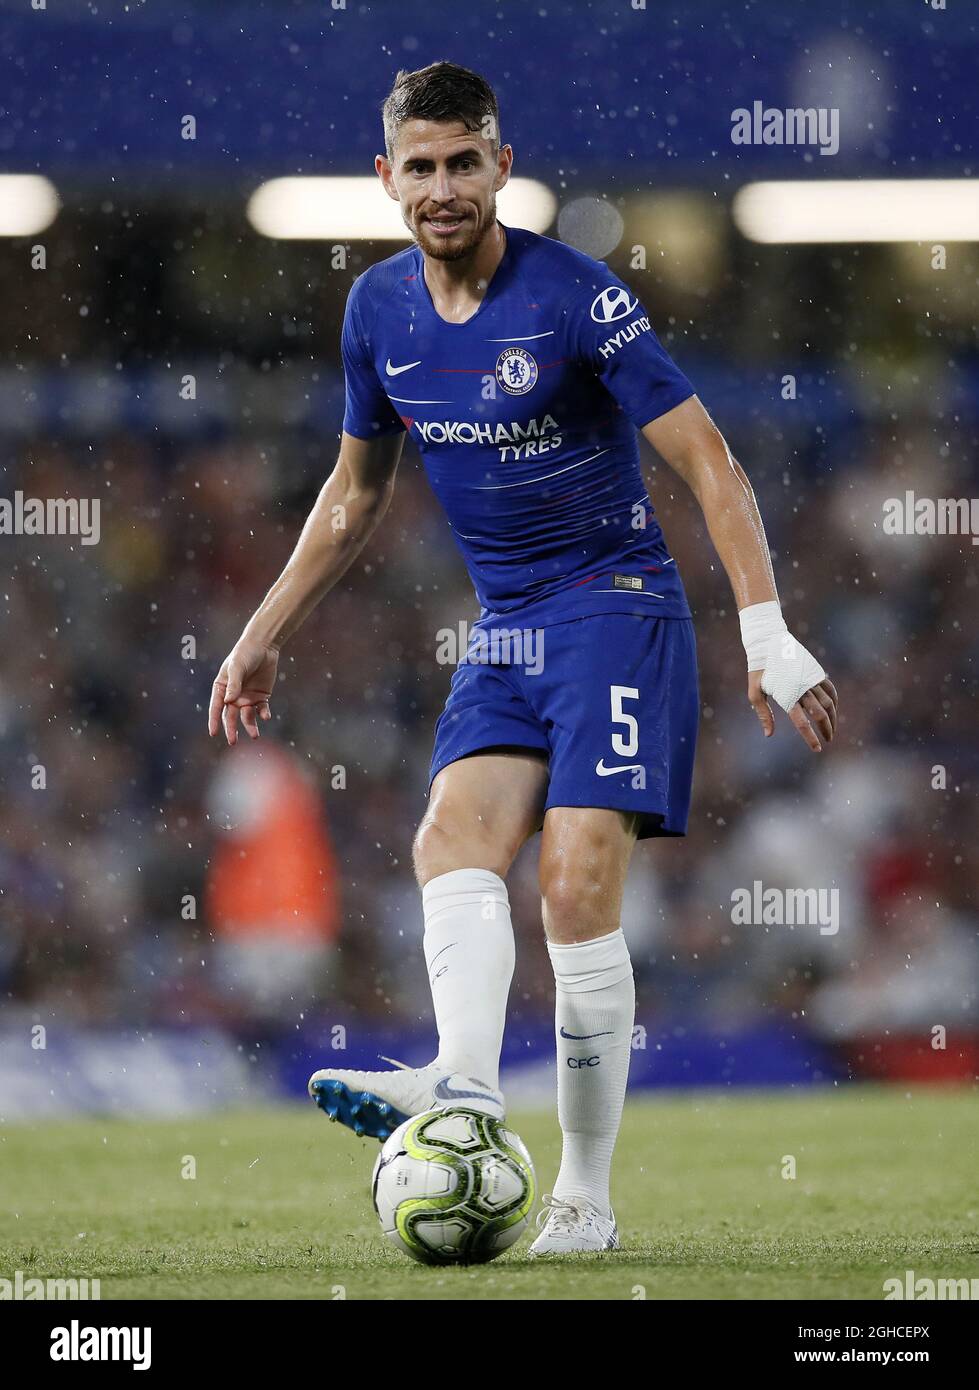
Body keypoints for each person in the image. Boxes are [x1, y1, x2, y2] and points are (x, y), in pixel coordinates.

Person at [208, 61, 838, 1256]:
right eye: (422, 167)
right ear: (383, 177)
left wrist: (765, 629)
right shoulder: (377, 313)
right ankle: (460, 1086)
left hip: (615, 603)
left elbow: (709, 462)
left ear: (502, 164)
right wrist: (259, 633)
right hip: (505, 622)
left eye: (465, 163)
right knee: (449, 838)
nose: (444, 188)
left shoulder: (576, 297)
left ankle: (584, 1202)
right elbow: (352, 497)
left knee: (572, 883)